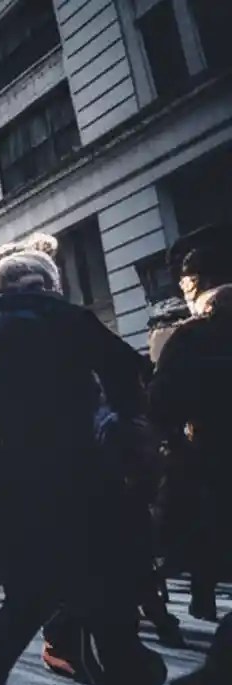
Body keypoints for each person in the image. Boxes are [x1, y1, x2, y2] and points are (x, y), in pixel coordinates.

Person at [0, 235, 164, 685]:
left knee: (32, 592)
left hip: (19, 491)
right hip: (89, 480)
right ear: (50, 284)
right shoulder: (71, 321)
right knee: (108, 595)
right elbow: (131, 377)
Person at [149, 227, 232, 623]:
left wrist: (175, 445)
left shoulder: (192, 336)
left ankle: (203, 597)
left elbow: (161, 405)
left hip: (211, 452)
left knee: (207, 523)